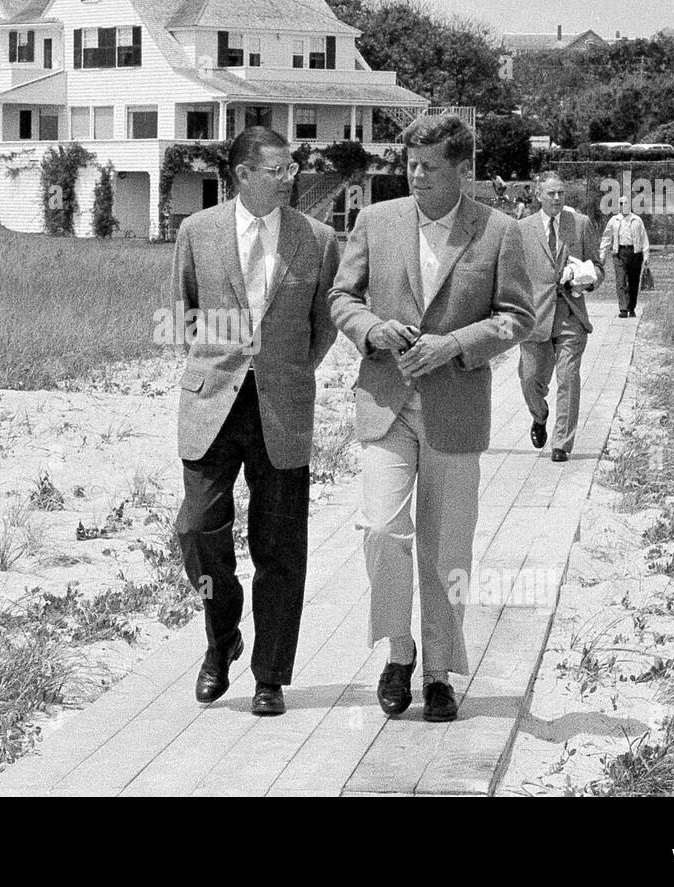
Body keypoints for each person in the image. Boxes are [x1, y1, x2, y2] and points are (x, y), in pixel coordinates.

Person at [329, 115, 534, 722]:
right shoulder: (376, 221)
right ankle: (398, 652)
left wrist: (454, 344)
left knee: (449, 546)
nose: (416, 175)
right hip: (386, 404)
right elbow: (344, 298)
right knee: (383, 531)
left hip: (456, 408)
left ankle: (440, 671)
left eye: (430, 166)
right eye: (410, 164)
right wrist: (372, 330)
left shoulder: (499, 231)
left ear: (463, 170)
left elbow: (516, 317)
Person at [172, 125, 341, 717]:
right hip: (211, 403)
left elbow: (324, 327)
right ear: (243, 173)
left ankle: (270, 675)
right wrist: (220, 363)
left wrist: (284, 371)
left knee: (281, 548)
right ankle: (222, 637)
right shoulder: (197, 232)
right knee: (196, 529)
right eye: (277, 169)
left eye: (291, 167)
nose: (289, 176)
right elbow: (184, 313)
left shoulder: (319, 239)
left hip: (282, 407)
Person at [517, 171, 605, 463]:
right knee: (531, 379)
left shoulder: (579, 224)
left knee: (568, 378)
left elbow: (598, 266)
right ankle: (539, 417)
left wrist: (587, 280)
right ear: (538, 195)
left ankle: (561, 443)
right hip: (535, 317)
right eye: (551, 193)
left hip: (570, 315)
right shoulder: (522, 229)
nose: (557, 198)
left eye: (561, 193)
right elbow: (512, 276)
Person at [599, 196, 649, 317]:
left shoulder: (637, 220)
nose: (623, 205)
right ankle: (623, 309)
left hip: (635, 253)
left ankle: (631, 307)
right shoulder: (614, 220)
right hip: (619, 253)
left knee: (633, 282)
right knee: (621, 282)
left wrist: (646, 254)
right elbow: (607, 236)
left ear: (629, 205)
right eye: (621, 203)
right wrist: (603, 253)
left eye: (625, 203)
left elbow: (644, 237)